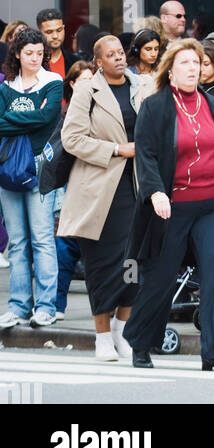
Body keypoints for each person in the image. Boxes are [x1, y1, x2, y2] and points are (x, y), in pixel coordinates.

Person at [123, 39, 214, 371]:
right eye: (184, 63)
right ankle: (140, 342)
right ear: (170, 70)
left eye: (196, 63)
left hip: (213, 206)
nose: (192, 68)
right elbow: (146, 154)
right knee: (161, 277)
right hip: (171, 207)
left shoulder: (213, 105)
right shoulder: (155, 107)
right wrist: (155, 192)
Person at [58, 34, 153, 360]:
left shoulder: (142, 86)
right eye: (110, 55)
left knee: (134, 262)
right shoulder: (87, 90)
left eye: (120, 53)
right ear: (98, 62)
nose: (118, 58)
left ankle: (122, 329)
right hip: (98, 189)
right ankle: (101, 335)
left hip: (136, 186)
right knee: (101, 265)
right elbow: (72, 138)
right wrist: (116, 149)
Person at [0, 26, 63, 330]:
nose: (35, 58)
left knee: (42, 239)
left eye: (40, 53)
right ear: (17, 54)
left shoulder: (53, 82)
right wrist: (29, 118)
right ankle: (19, 306)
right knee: (17, 241)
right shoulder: (6, 85)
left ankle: (46, 307)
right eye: (29, 53)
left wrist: (12, 119)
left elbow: (47, 119)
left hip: (40, 166)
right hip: (9, 168)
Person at [54, 60, 95, 319]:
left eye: (93, 80)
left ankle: (107, 308)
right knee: (65, 248)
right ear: (72, 84)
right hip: (72, 186)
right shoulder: (65, 115)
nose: (90, 86)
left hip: (100, 185)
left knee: (101, 253)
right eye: (84, 81)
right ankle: (57, 305)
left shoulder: (106, 110)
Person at [36, 8, 78, 80]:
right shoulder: (33, 62)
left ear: (64, 28)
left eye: (59, 30)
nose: (55, 36)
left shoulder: (75, 61)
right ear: (39, 32)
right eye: (49, 32)